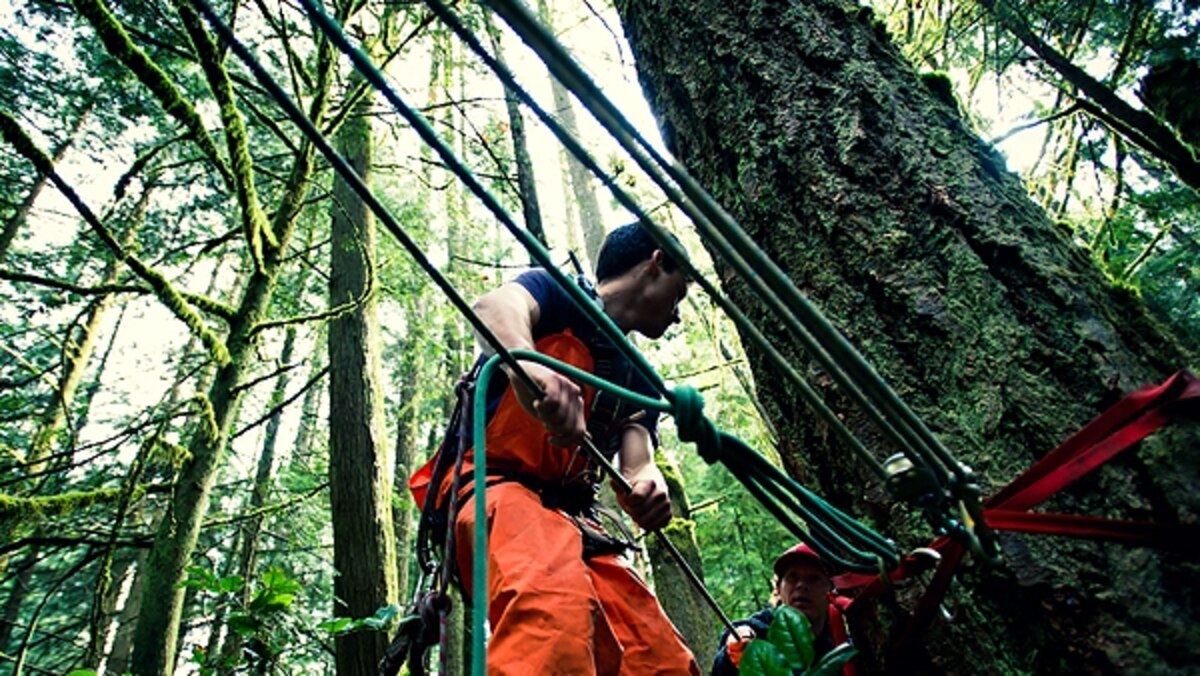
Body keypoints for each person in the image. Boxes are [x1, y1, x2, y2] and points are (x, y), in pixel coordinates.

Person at [415, 221, 698, 674]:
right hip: (491, 487)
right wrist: (530, 370)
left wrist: (647, 487)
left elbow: (638, 456)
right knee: (550, 611)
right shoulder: (556, 292)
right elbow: (494, 307)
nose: (678, 314)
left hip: (573, 523)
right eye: (678, 294)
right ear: (656, 262)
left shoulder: (640, 378)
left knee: (655, 654)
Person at [711, 543, 844, 676]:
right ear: (778, 588)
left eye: (814, 578)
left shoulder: (842, 642)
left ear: (832, 590)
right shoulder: (758, 631)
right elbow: (723, 668)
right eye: (793, 577)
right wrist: (734, 651)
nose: (801, 585)